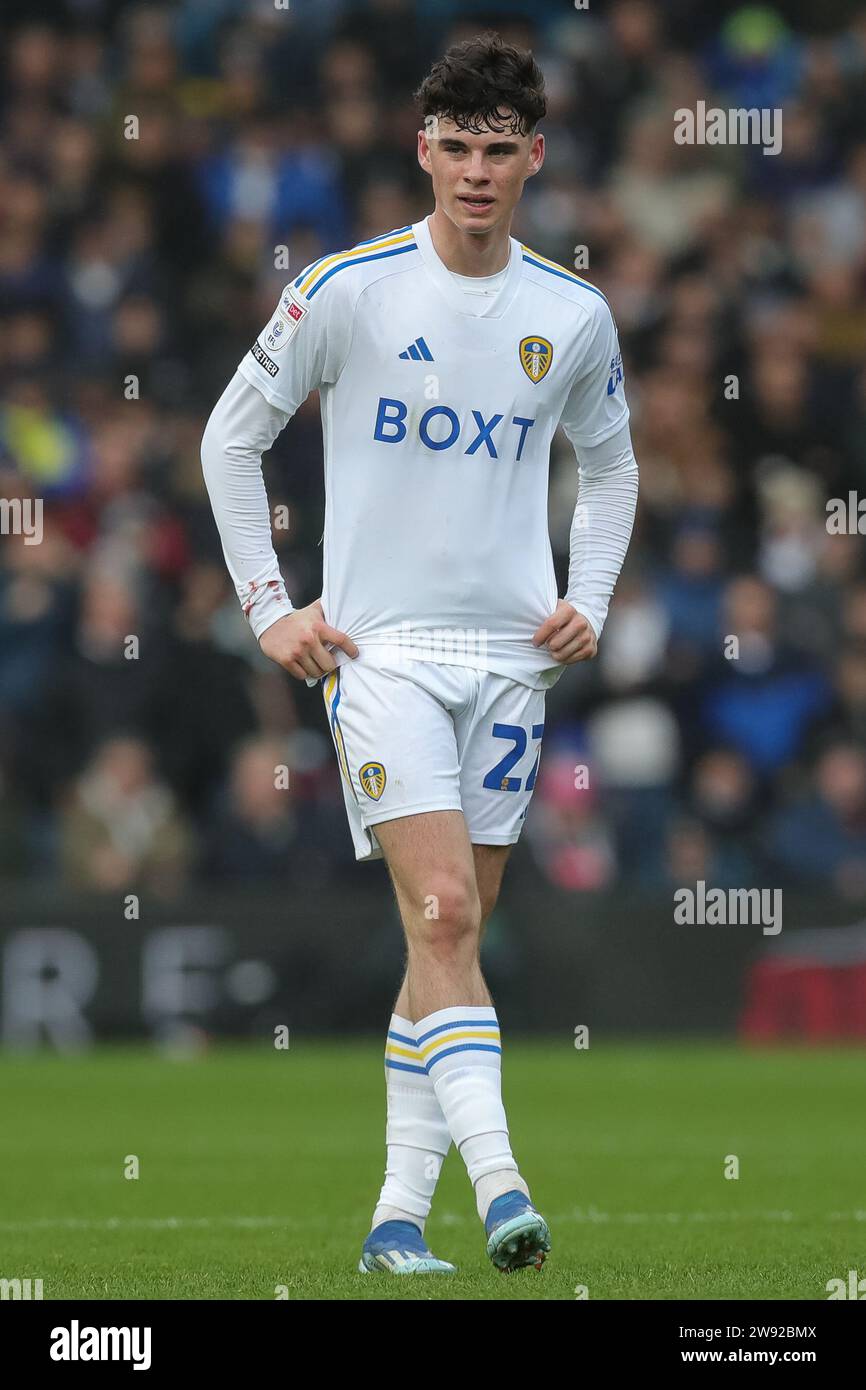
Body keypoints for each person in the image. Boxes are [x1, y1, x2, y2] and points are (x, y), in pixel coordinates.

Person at [201, 32, 639, 1276]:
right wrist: (267, 609)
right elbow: (228, 441)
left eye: (500, 150)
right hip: (379, 652)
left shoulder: (572, 314)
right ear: (421, 149)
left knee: (441, 941)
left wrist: (586, 597)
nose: (476, 172)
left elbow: (610, 469)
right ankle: (503, 1192)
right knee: (443, 909)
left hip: (512, 660)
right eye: (455, 147)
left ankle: (396, 1219)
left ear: (535, 157)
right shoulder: (348, 288)